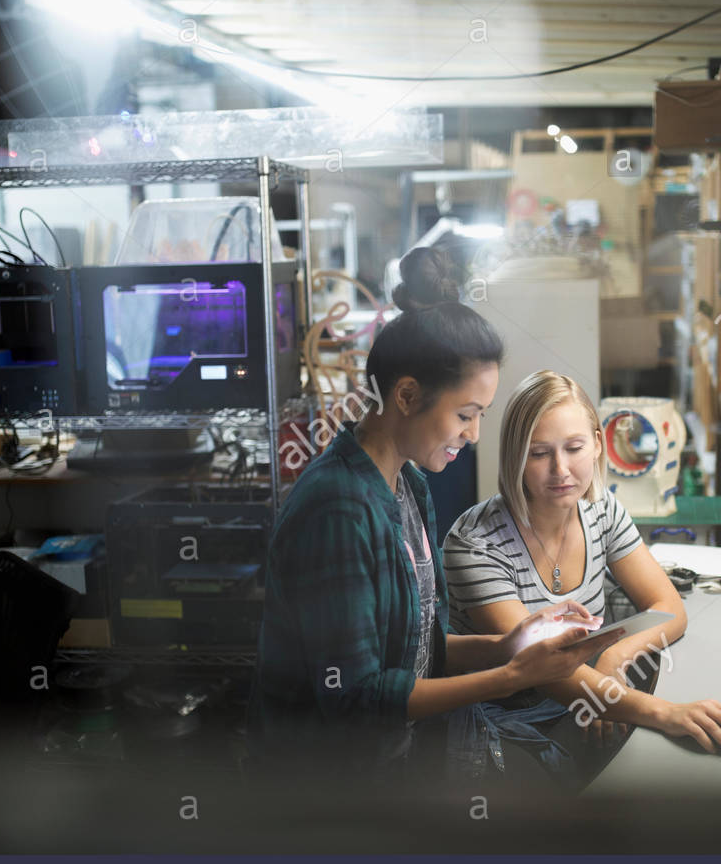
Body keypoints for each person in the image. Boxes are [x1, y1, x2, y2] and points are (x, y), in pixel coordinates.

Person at [247, 249, 621, 782]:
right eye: (465, 415)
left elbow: (419, 649)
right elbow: (356, 697)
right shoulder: (337, 509)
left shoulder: (408, 484)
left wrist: (511, 644)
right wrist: (510, 675)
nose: (473, 435)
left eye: (480, 416)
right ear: (405, 395)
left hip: (398, 764)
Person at [443, 370, 721, 779]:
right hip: (498, 724)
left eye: (574, 448)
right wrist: (663, 713)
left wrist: (613, 657)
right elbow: (540, 667)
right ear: (515, 458)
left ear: (597, 443)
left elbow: (669, 608)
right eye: (539, 453)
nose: (561, 470)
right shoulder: (475, 542)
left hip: (586, 694)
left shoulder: (602, 510)